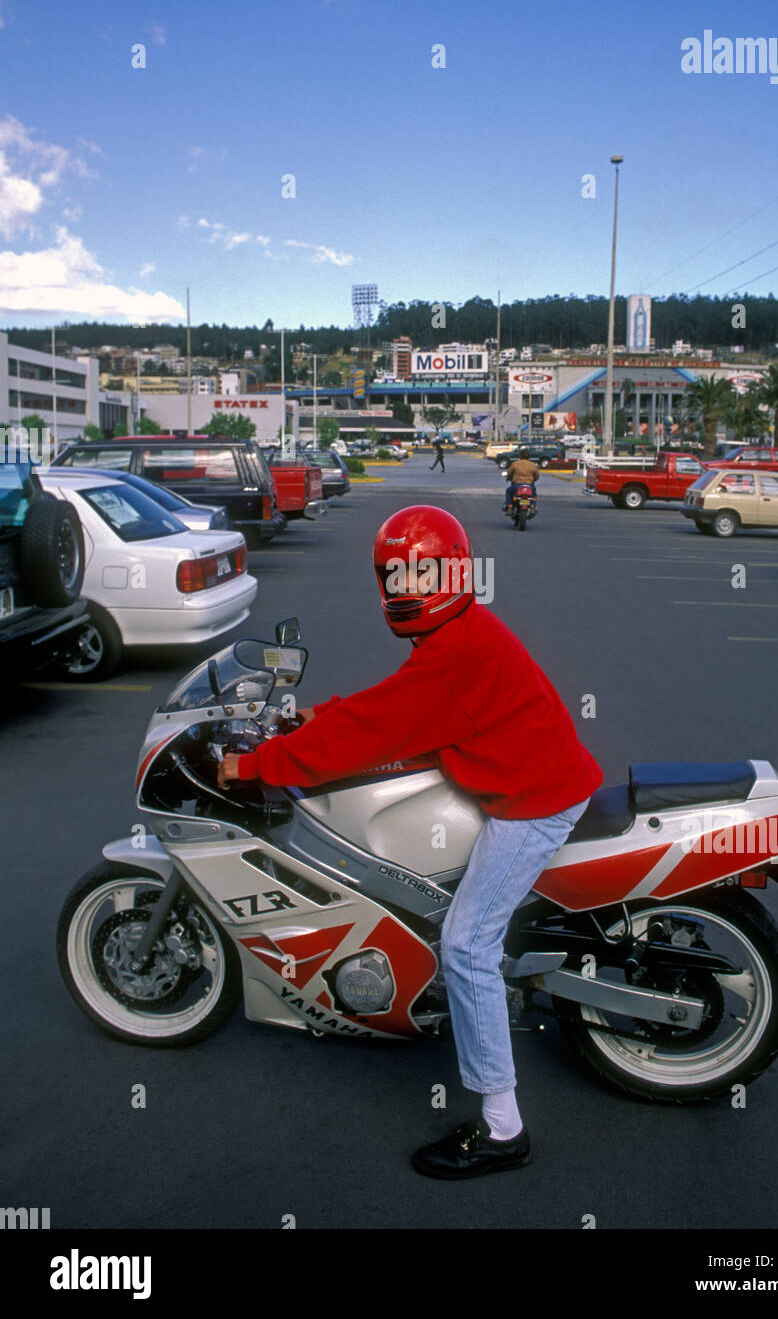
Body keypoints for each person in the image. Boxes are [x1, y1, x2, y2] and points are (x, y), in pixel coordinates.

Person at [217, 506, 602, 1180]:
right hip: (524, 781)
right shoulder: (457, 634)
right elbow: (388, 708)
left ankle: (502, 1127)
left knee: (467, 943)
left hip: (534, 804)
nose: (407, 587)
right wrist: (322, 713)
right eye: (396, 575)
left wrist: (256, 766)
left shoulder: (454, 652)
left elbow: (377, 728)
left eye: (421, 572)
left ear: (453, 571)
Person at [505, 447, 540, 512]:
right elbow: (537, 476)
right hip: (529, 485)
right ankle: (533, 506)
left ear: (520, 455)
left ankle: (509, 506)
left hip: (517, 485)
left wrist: (508, 478)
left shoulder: (515, 464)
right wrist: (533, 480)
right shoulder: (533, 465)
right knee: (534, 494)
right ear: (529, 456)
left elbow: (509, 473)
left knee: (508, 491)